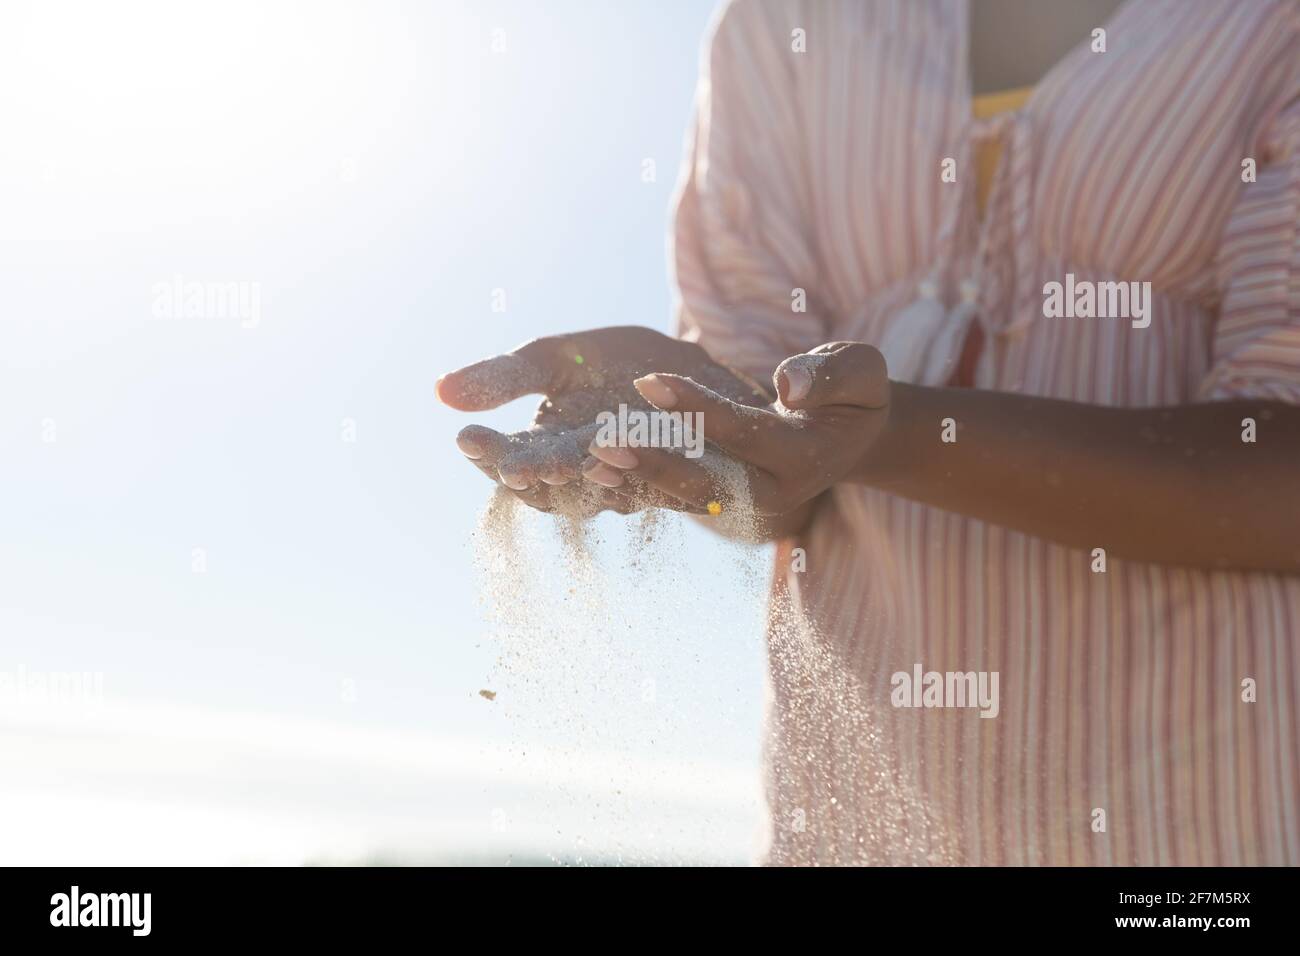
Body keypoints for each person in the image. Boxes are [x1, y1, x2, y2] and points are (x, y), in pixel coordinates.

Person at [438, 0, 1300, 865]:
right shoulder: (784, 26)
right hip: (852, 818)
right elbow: (775, 481)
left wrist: (896, 437)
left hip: (1192, 824)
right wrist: (701, 430)